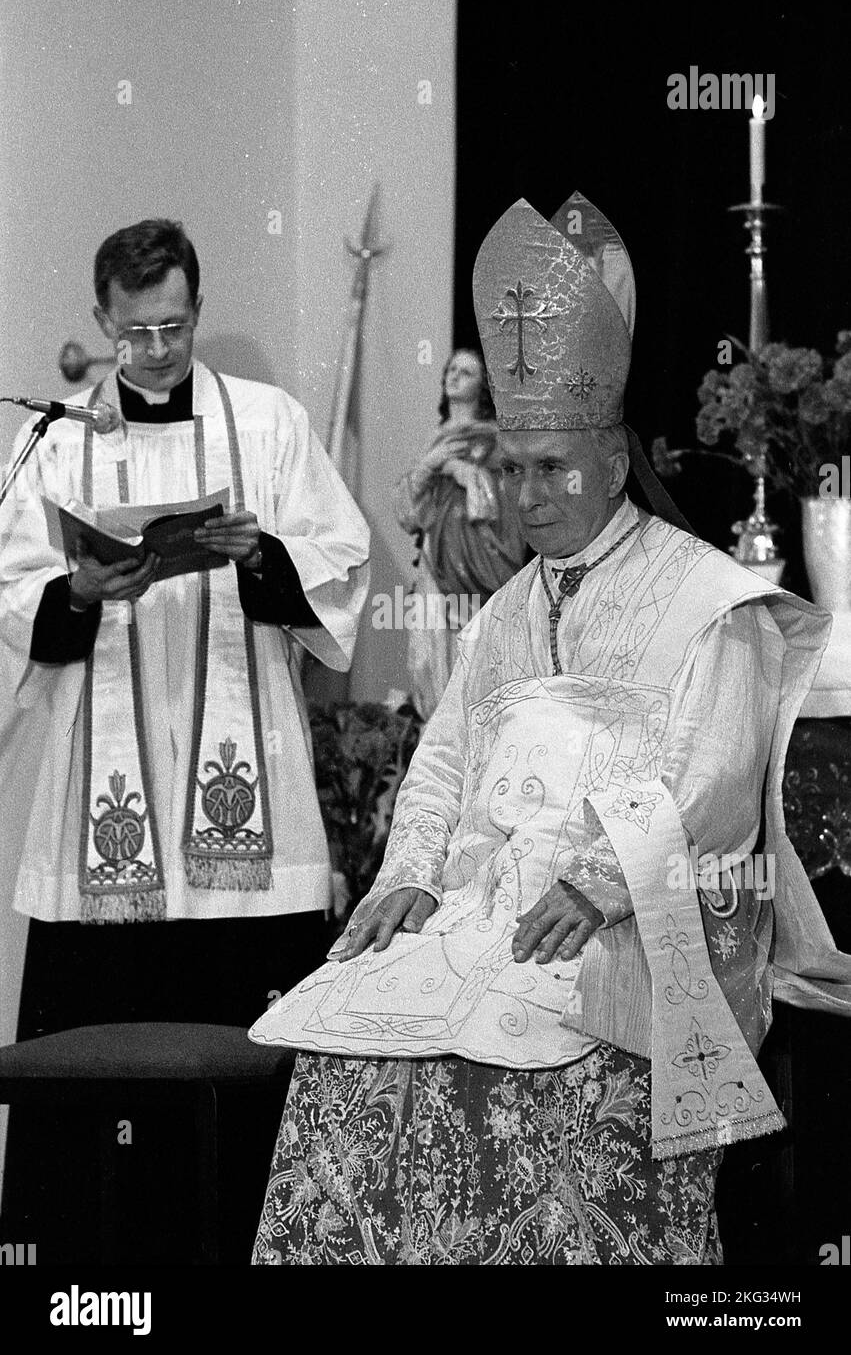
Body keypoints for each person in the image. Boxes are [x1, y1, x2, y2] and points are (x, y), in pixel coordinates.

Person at [249, 192, 851, 1266]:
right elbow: (441, 763)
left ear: (612, 462)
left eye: (548, 468)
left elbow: (710, 778)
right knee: (344, 1051)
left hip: (627, 924)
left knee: (530, 1071)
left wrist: (595, 880)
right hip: (490, 913)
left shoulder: (699, 597)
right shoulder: (503, 615)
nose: (522, 498)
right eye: (512, 470)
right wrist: (408, 878)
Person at [0, 218, 370, 1255]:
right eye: (132, 332)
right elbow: (10, 590)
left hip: (245, 842)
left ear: (197, 312)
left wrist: (261, 558)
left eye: (171, 326)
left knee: (247, 1081)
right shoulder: (58, 439)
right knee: (94, 1086)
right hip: (99, 830)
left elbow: (339, 561)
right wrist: (73, 591)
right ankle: (78, 1275)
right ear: (99, 320)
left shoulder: (270, 424)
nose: (154, 350)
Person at [394, 348, 527, 718]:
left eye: (465, 372)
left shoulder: (496, 439)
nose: (453, 375)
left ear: (484, 387)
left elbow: (501, 506)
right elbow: (409, 515)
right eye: (451, 369)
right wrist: (432, 465)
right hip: (434, 566)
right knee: (426, 657)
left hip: (476, 569)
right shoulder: (437, 440)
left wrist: (469, 475)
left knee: (465, 659)